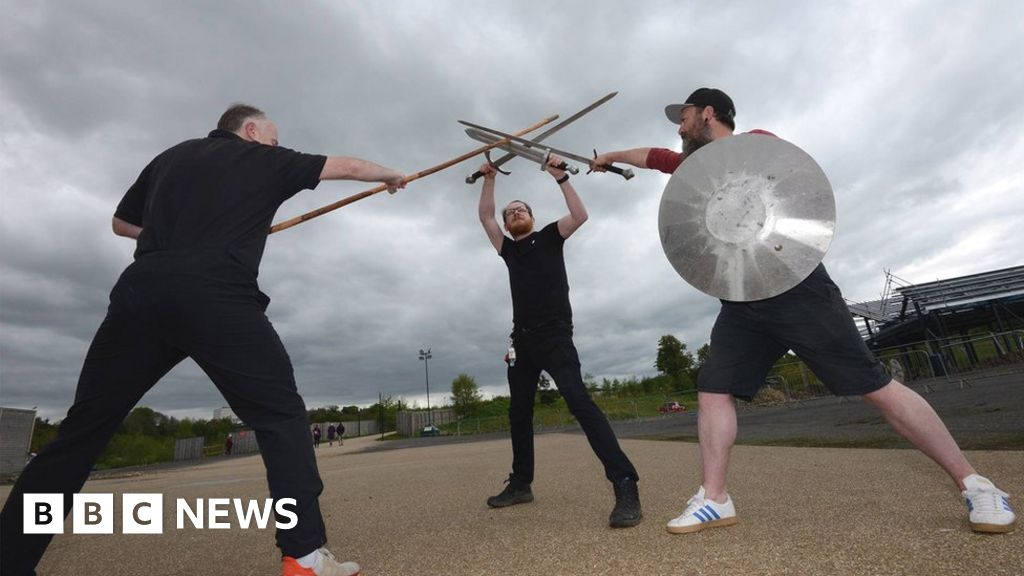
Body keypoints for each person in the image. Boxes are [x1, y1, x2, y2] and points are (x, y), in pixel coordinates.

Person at [0, 103, 406, 576]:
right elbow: (348, 167)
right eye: (273, 138)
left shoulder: (170, 157)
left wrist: (182, 231)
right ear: (250, 130)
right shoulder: (262, 158)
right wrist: (391, 175)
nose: (277, 146)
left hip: (141, 292)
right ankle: (305, 555)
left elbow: (121, 223)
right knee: (280, 416)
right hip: (215, 293)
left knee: (81, 432)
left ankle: (9, 560)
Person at [592, 87, 1016, 535]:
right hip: (741, 301)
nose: (680, 127)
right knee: (714, 388)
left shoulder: (758, 145)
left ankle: (976, 485)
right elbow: (654, 157)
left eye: (684, 117)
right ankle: (715, 499)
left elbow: (792, 188)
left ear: (708, 113)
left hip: (797, 290)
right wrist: (610, 157)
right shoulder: (695, 167)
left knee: (875, 386)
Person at [477, 155, 642, 528]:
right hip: (522, 341)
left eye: (520, 209)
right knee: (518, 413)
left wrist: (561, 177)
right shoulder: (508, 251)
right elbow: (485, 218)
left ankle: (625, 483)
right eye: (510, 213)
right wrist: (489, 180)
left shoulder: (551, 236)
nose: (514, 213)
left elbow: (580, 215)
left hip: (555, 336)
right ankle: (521, 484)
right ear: (508, 225)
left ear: (532, 218)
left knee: (580, 403)